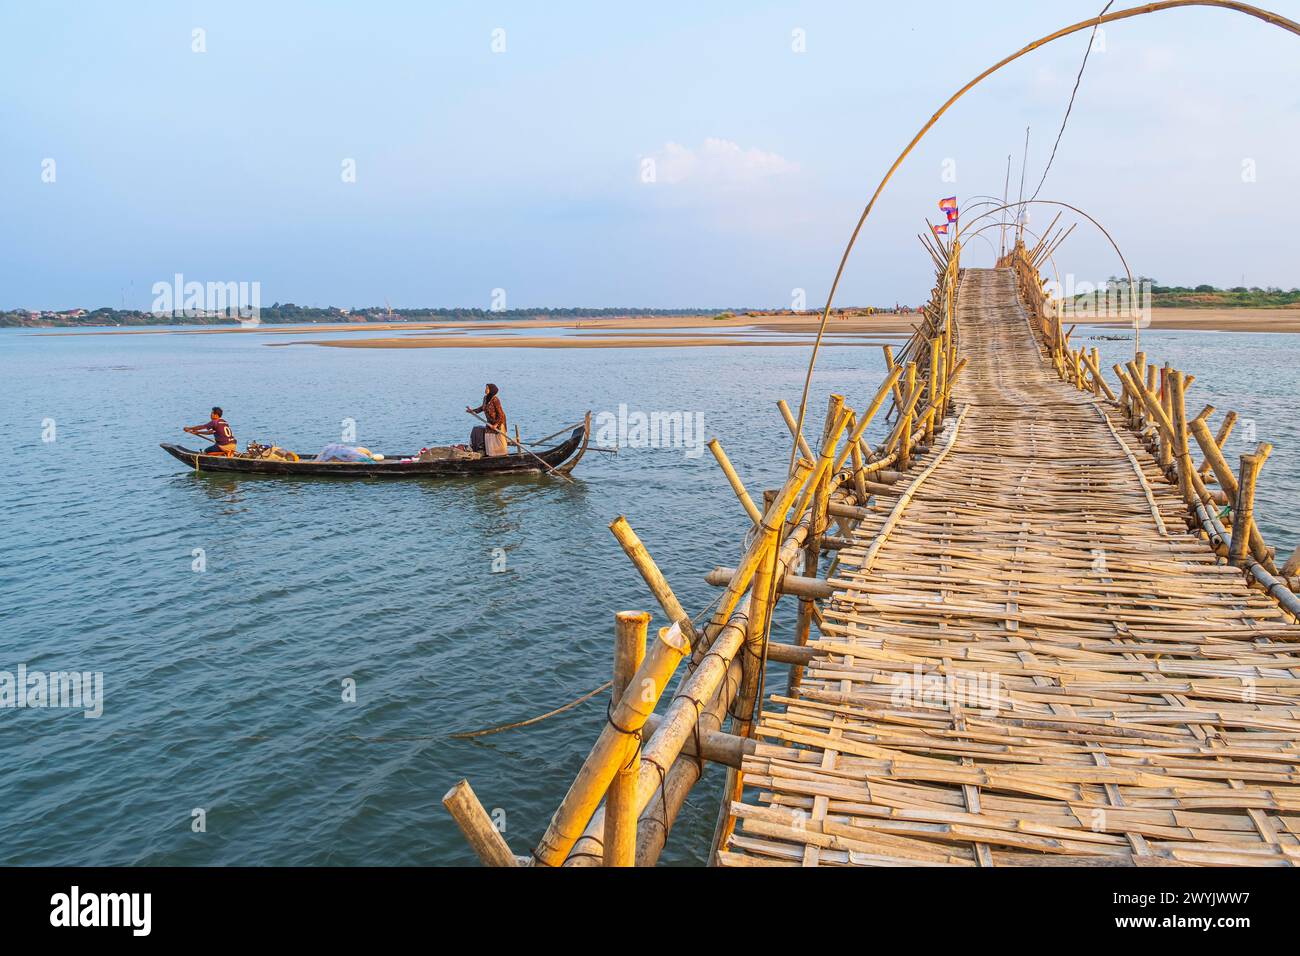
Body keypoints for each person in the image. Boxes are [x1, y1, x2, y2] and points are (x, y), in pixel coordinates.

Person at [466, 383, 508, 457]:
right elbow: (482, 408)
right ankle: (492, 455)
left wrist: (496, 425)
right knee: (489, 437)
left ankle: (501, 455)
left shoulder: (495, 399)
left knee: (498, 440)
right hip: (490, 422)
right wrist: (472, 411)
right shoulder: (485, 398)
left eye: (487, 388)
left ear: (491, 390)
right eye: (485, 388)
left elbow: (500, 414)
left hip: (498, 421)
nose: (485, 390)